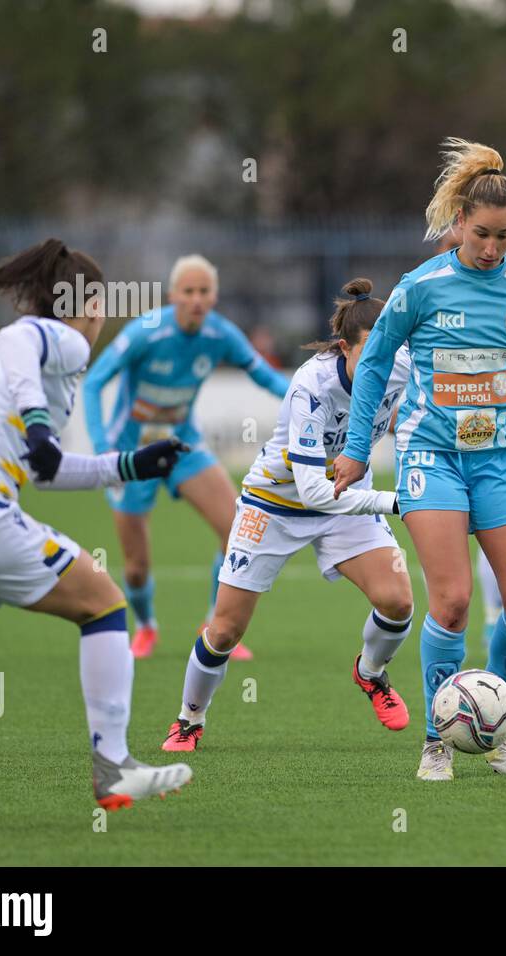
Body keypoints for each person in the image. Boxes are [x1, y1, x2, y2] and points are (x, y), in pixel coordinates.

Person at [332, 138, 506, 782]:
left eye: (504, 237)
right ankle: (437, 739)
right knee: (450, 603)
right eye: (481, 234)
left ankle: (487, 716)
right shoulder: (419, 288)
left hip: (501, 459)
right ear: (458, 224)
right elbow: (369, 369)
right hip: (433, 458)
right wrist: (357, 451)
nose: (491, 248)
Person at [0, 238, 194, 808]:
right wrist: (36, 420)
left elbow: (47, 469)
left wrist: (128, 465)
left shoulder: (35, 367)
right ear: (86, 306)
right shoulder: (55, 338)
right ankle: (112, 766)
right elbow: (20, 336)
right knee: (105, 603)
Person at [159, 278, 412, 751]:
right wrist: (396, 501)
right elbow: (314, 492)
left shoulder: (402, 365)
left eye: (387, 353)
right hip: (275, 503)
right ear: (343, 348)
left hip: (347, 501)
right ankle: (189, 720)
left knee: (398, 601)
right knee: (226, 628)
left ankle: (370, 673)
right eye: (368, 355)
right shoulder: (310, 387)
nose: (380, 367)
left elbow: (410, 416)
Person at [83, 255, 291, 660]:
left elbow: (265, 376)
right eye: (188, 292)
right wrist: (102, 450)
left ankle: (216, 623)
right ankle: (145, 627)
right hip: (131, 455)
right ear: (173, 295)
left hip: (183, 447)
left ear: (213, 297)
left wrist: (314, 396)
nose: (196, 300)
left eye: (204, 292)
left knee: (236, 528)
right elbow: (93, 382)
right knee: (137, 566)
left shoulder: (221, 334)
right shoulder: (146, 332)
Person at [433, 227, 506, 647]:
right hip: (440, 459)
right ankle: (467, 619)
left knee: (505, 557)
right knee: (450, 591)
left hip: (496, 449)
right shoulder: (424, 299)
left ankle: (495, 612)